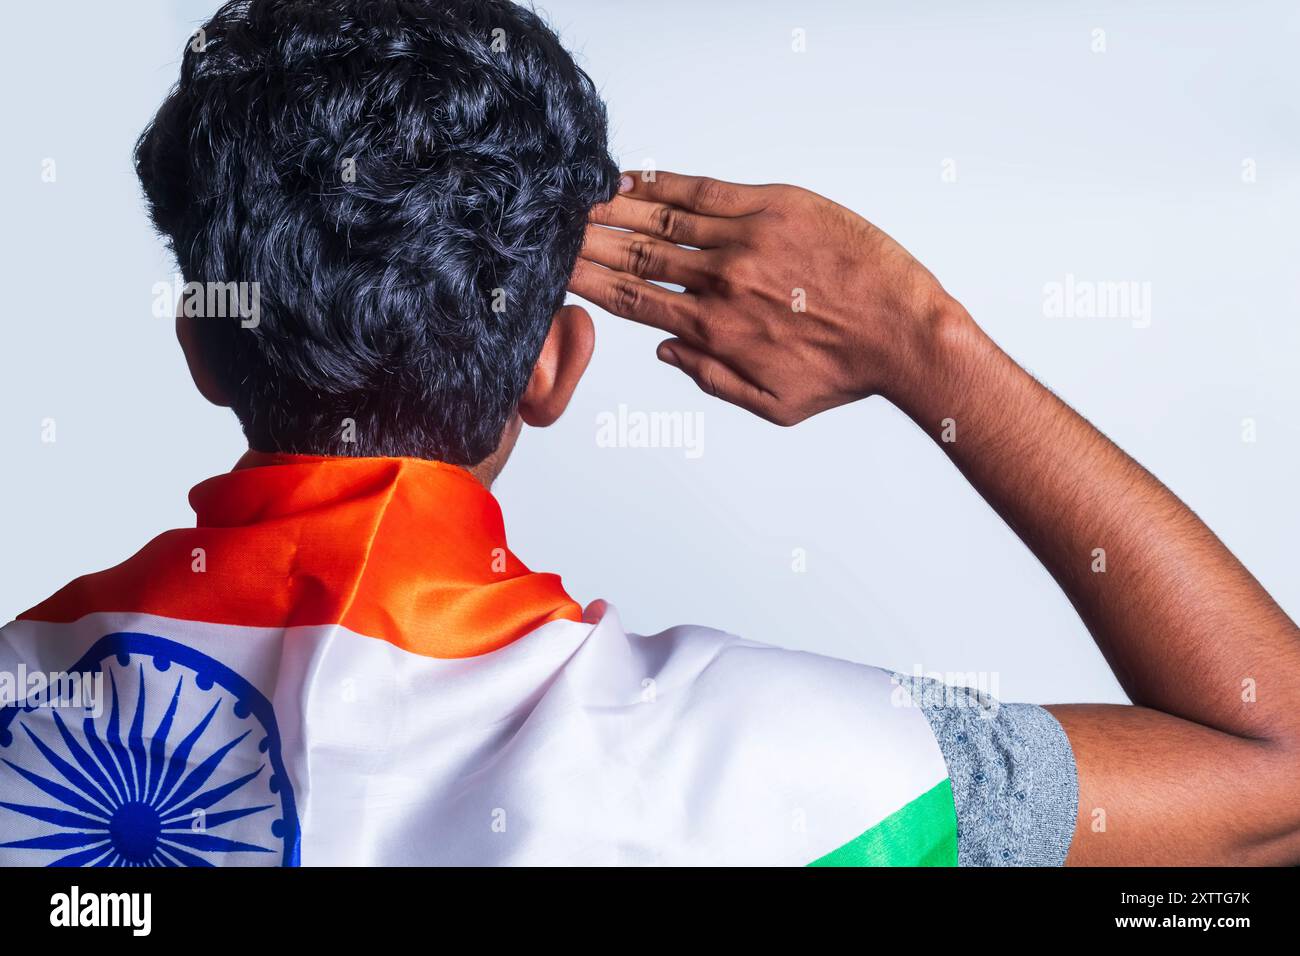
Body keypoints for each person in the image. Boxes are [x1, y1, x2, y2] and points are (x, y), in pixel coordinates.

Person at [1, 0, 1297, 867]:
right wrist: (922, 339)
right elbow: (1274, 765)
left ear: (199, 344)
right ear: (558, 365)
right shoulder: (784, 759)